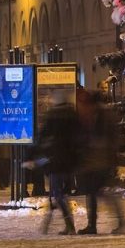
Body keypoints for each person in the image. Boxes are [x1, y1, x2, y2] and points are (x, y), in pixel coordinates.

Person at [75, 89, 125, 234]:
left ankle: (112, 223)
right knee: (97, 193)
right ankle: (110, 223)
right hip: (100, 161)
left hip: (99, 161)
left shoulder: (99, 115)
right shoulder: (102, 114)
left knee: (99, 193)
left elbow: (100, 139)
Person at [32, 94, 79, 235]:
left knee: (57, 193)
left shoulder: (53, 117)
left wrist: (35, 155)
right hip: (69, 161)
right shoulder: (73, 117)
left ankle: (69, 225)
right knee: (61, 193)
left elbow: (42, 138)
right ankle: (68, 225)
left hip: (56, 160)